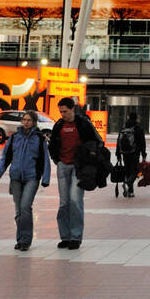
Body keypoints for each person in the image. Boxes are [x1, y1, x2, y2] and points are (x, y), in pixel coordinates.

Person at [48, 97, 100, 250]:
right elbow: (52, 144)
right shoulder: (58, 125)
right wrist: (56, 160)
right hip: (63, 166)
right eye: (60, 111)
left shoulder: (83, 123)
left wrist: (89, 157)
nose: (63, 114)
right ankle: (65, 237)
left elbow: (97, 141)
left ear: (73, 109)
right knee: (64, 203)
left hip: (79, 168)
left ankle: (75, 237)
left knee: (75, 200)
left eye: (65, 111)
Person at [0, 109, 50, 251]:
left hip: (32, 177)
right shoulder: (14, 137)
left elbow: (45, 159)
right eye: (24, 120)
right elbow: (5, 157)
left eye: (29, 120)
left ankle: (26, 240)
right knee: (19, 210)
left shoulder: (39, 138)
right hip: (16, 178)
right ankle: (20, 239)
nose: (26, 122)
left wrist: (46, 178)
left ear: (34, 122)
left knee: (25, 207)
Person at [115, 110, 146, 198]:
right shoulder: (138, 128)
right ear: (136, 118)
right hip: (134, 152)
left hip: (124, 153)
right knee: (135, 171)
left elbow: (118, 140)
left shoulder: (124, 127)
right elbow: (142, 142)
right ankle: (128, 183)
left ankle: (130, 190)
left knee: (128, 171)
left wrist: (118, 153)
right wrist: (143, 154)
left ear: (128, 117)